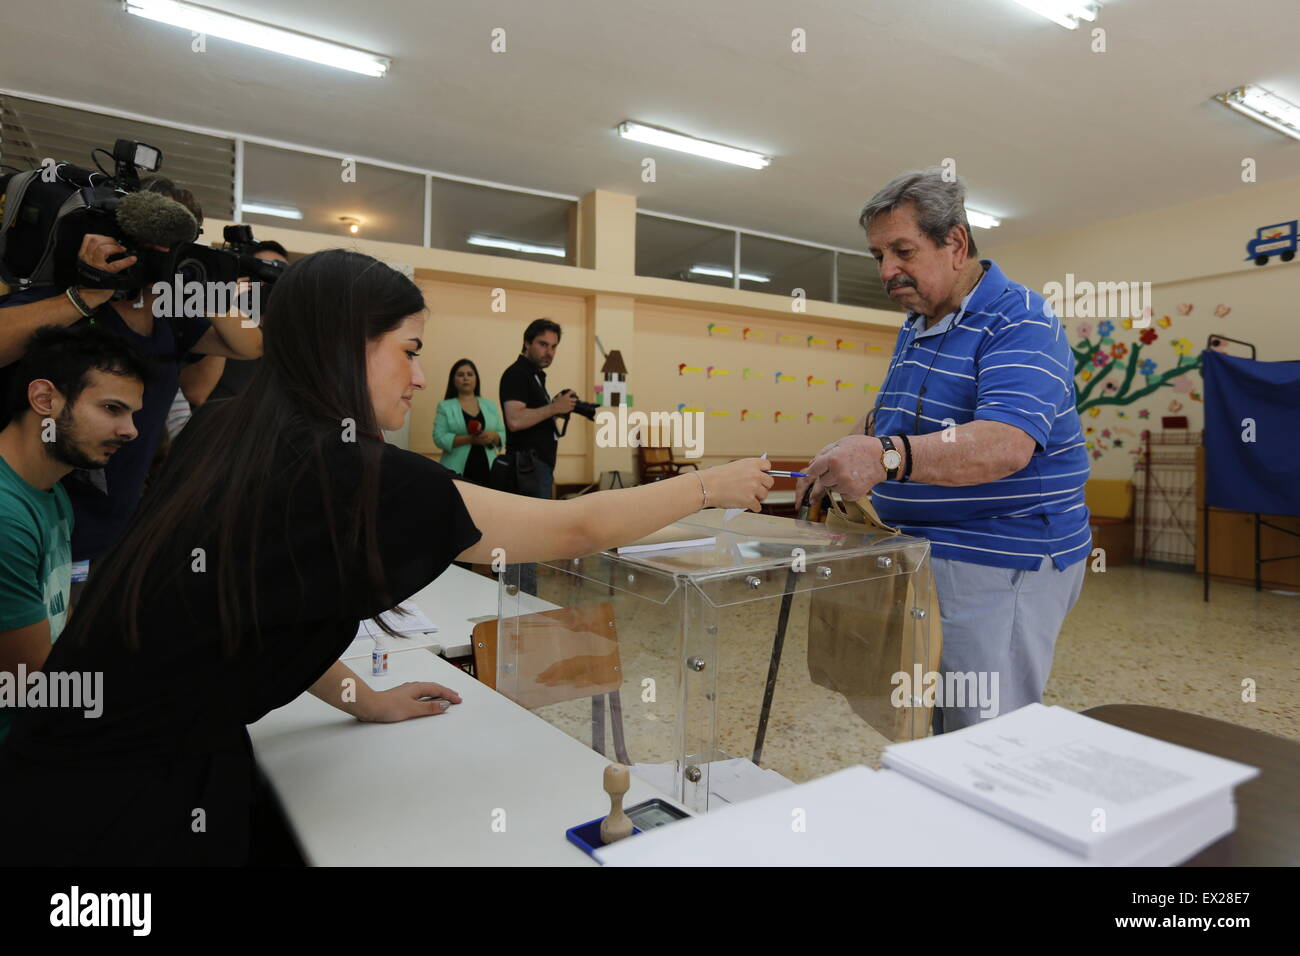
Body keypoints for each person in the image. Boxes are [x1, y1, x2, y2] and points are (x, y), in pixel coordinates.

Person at [0, 249, 771, 865]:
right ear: (344, 346)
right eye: (408, 350)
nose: (423, 374)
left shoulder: (228, 428)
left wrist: (362, 701)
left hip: (67, 771)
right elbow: (572, 530)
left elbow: (258, 607)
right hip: (120, 811)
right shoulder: (353, 474)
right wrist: (710, 485)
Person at [798, 168, 1090, 735]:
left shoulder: (1021, 318)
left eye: (902, 250)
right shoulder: (919, 321)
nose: (886, 271)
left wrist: (883, 458)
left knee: (984, 733)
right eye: (877, 255)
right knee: (933, 724)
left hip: (1000, 558)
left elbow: (1004, 443)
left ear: (955, 243)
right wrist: (846, 448)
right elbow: (895, 416)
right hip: (925, 553)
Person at [46, 178, 262, 591]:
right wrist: (94, 287)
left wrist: (203, 282)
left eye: (175, 239)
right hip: (53, 508)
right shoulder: (81, 296)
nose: (159, 250)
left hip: (122, 507)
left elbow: (249, 344)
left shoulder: (172, 315)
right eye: (151, 234)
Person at [0, 324, 148, 742]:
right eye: (112, 409)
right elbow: (32, 684)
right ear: (44, 399)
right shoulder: (6, 516)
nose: (131, 431)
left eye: (133, 413)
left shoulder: (54, 492)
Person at [178, 240, 290, 407]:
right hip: (214, 425)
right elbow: (197, 393)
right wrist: (227, 307)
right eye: (261, 276)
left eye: (276, 277)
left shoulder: (288, 340)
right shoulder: (209, 314)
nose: (267, 286)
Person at [434, 358, 504, 486]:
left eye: (470, 374)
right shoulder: (445, 406)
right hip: (455, 470)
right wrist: (470, 439)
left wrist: (493, 436)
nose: (465, 378)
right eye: (460, 375)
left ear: (476, 379)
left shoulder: (490, 405)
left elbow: (503, 433)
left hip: (488, 469)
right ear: (453, 380)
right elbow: (439, 438)